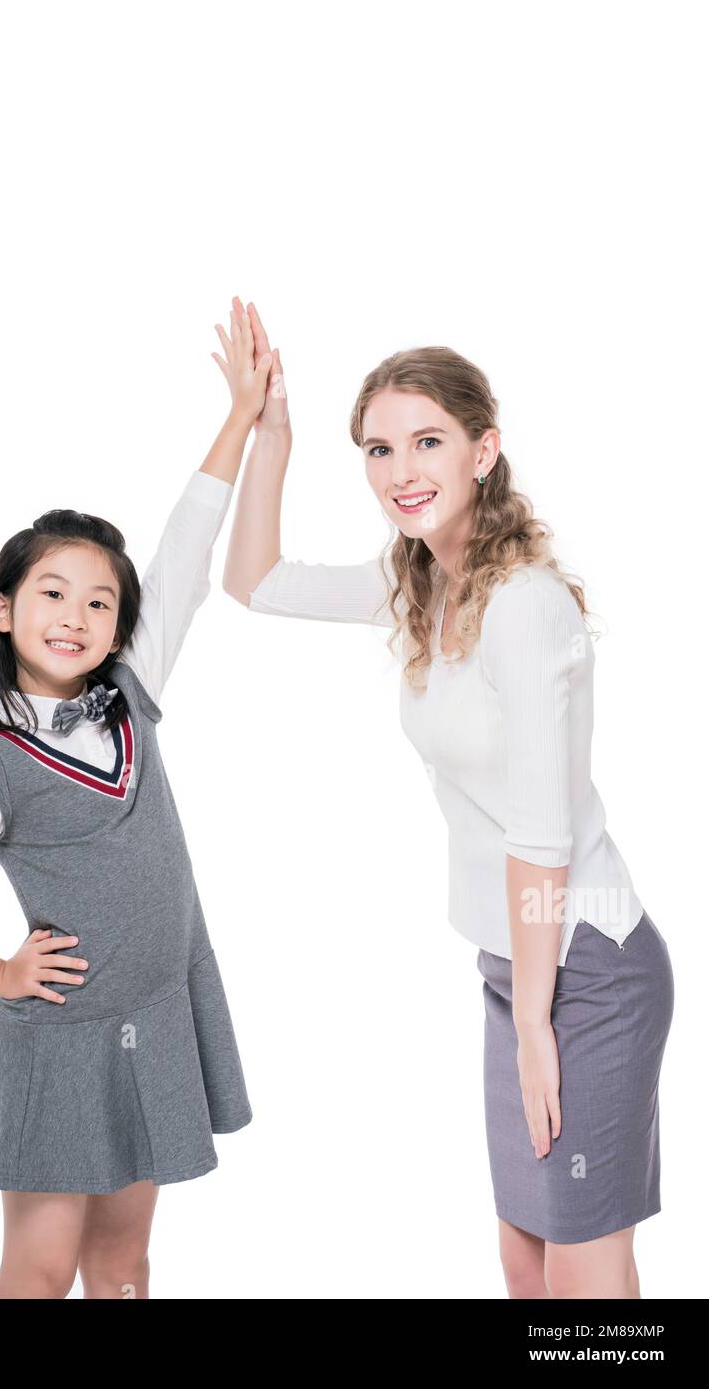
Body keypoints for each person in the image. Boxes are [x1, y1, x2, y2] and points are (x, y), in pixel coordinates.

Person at [220, 296, 674, 1301]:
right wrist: (276, 433)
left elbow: (542, 837)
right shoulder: (420, 585)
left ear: (484, 450)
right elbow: (252, 580)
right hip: (514, 966)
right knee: (524, 1258)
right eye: (378, 450)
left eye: (427, 441)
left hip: (584, 965)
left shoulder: (524, 606)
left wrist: (536, 1027)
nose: (401, 472)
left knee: (585, 1273)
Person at [0, 312, 273, 1300]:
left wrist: (242, 417)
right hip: (62, 1041)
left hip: (159, 1017)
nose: (77, 617)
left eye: (99, 602)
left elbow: (182, 553)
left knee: (124, 1263)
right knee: (39, 1270)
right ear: (4, 610)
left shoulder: (131, 694)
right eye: (52, 593)